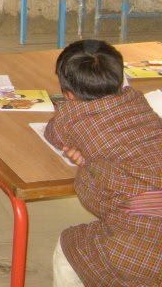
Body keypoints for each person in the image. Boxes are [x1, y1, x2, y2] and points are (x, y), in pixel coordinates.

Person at [45, 40, 162, 287]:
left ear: (68, 95)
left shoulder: (71, 115)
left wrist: (84, 158)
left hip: (144, 246)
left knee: (69, 246)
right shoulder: (137, 101)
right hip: (150, 219)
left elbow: (52, 133)